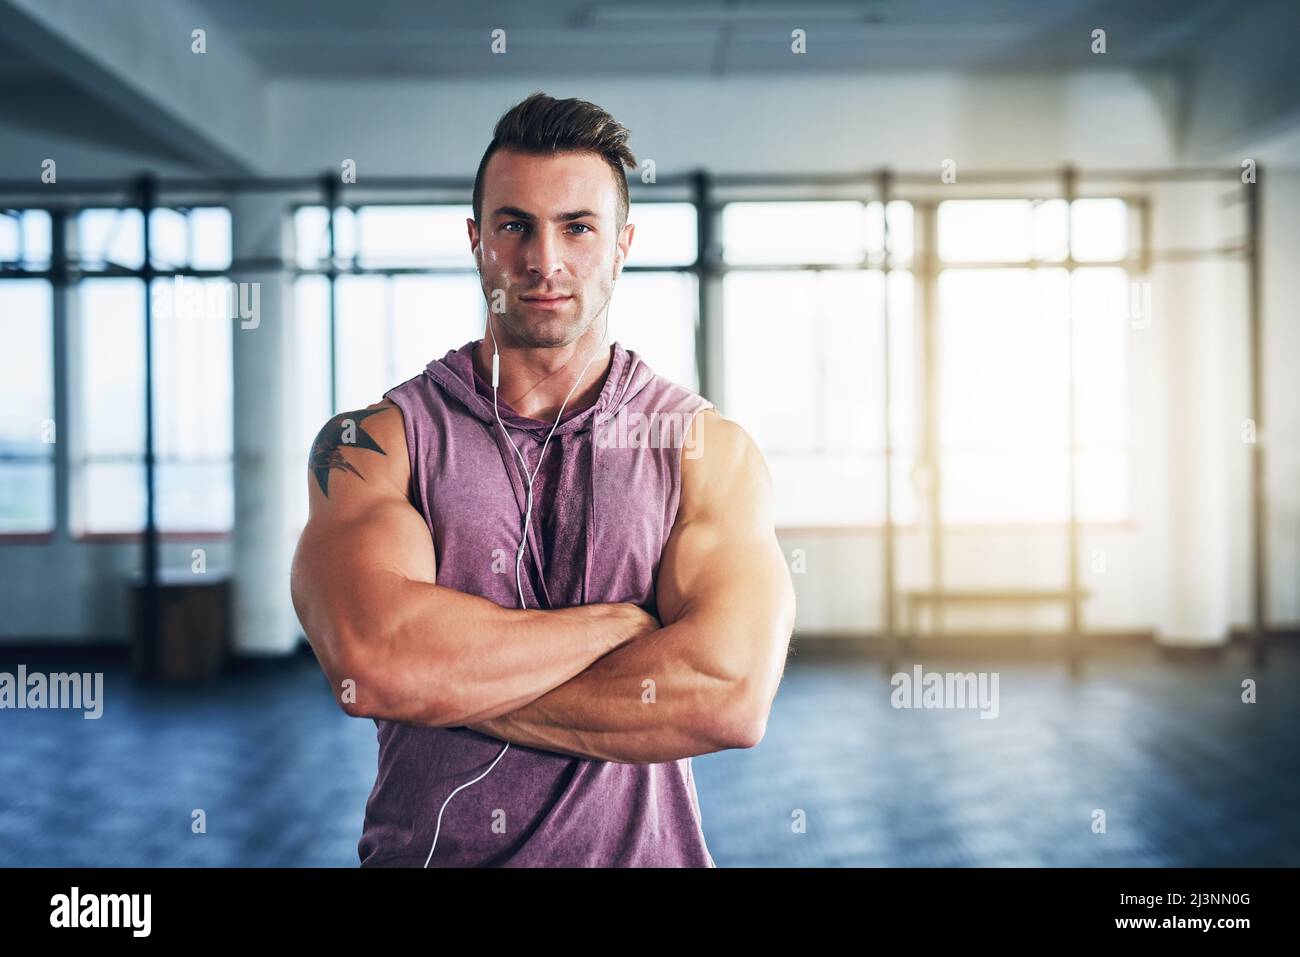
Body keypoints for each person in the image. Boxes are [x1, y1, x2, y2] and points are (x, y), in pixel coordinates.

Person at [290, 91, 795, 867]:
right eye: (514, 225)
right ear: (477, 240)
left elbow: (728, 693)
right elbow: (374, 662)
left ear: (623, 244)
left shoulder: (702, 448)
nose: (544, 260)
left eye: (578, 228)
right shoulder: (379, 442)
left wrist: (452, 685)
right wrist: (623, 625)